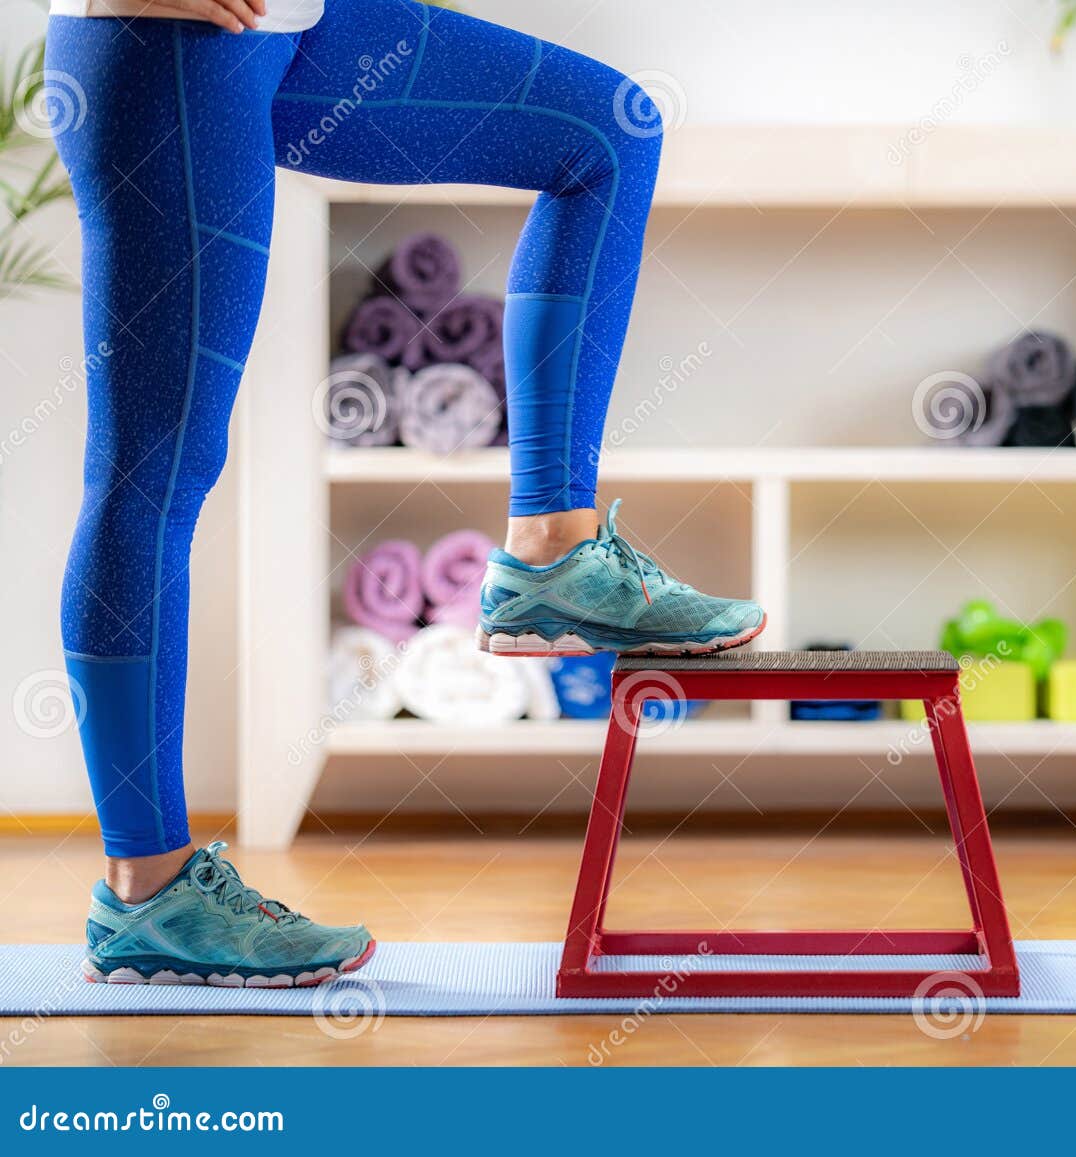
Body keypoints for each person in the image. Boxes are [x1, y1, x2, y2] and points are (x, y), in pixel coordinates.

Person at [47, 0, 764, 988]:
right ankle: (148, 890)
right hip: (161, 41)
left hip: (298, 25)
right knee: (151, 471)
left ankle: (552, 549)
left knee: (605, 131)